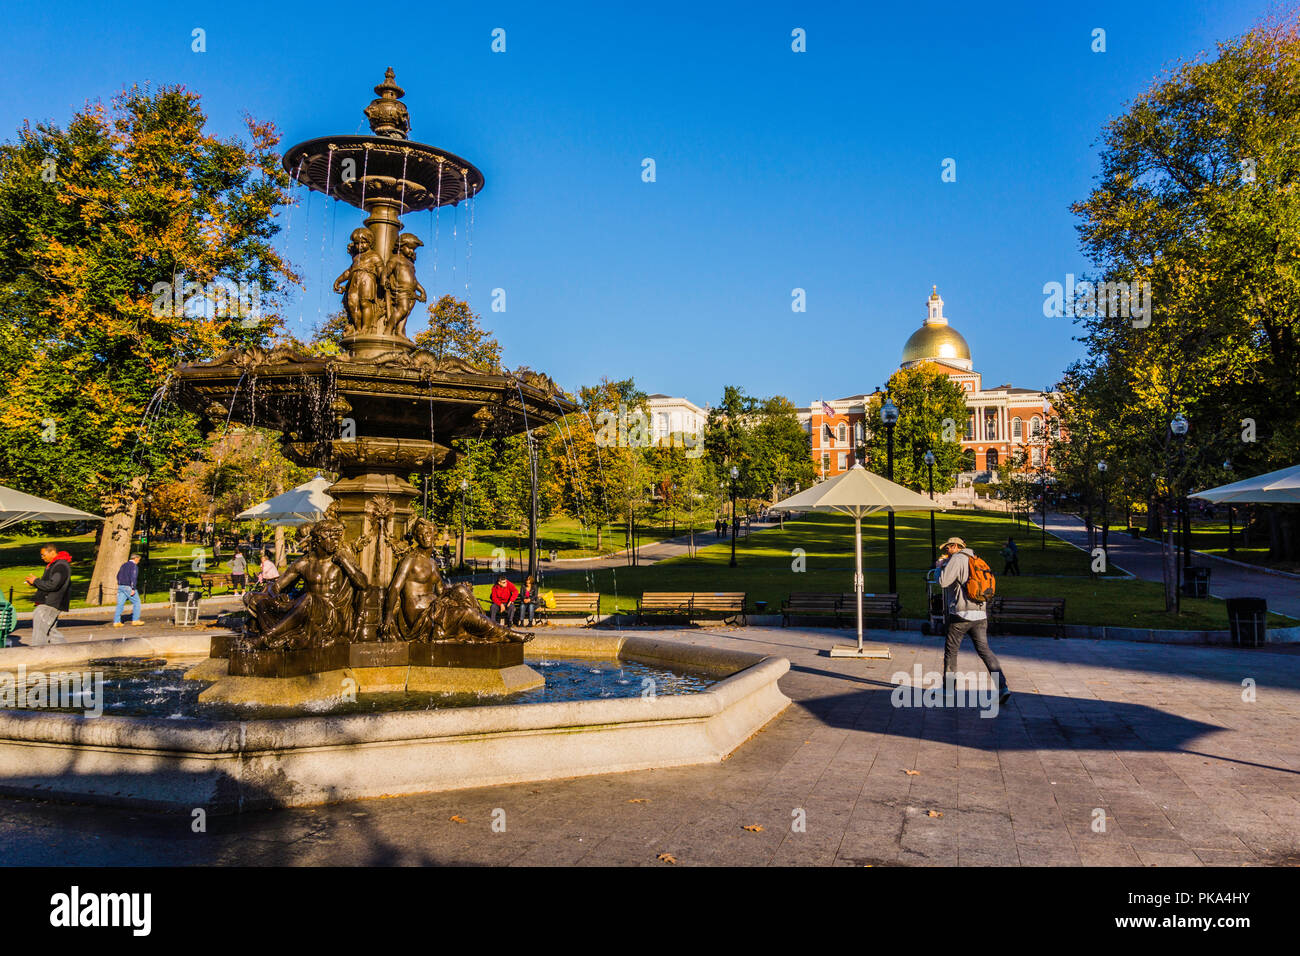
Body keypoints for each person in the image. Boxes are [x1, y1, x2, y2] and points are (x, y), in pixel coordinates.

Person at [936, 536, 1010, 706]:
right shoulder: (976, 559)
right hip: (980, 613)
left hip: (961, 614)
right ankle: (1003, 687)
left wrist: (940, 567)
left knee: (951, 651)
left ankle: (947, 690)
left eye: (947, 548)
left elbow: (942, 582)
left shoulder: (957, 559)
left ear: (955, 546)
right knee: (985, 651)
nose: (945, 552)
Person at [24, 544, 71, 645]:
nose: (42, 557)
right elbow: (50, 583)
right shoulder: (55, 565)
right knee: (51, 633)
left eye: (43, 555)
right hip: (49, 603)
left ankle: (39, 654)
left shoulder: (60, 566)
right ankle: (67, 652)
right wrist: (35, 582)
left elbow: (53, 585)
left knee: (40, 633)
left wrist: (36, 581)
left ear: (52, 552)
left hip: (49, 603)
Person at [112, 554, 145, 627]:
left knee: (120, 604)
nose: (138, 561)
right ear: (135, 559)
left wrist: (120, 583)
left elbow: (118, 576)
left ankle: (116, 621)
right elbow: (133, 577)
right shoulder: (134, 566)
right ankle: (135, 620)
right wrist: (133, 588)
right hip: (128, 586)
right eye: (138, 560)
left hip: (121, 586)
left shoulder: (124, 565)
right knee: (137, 602)